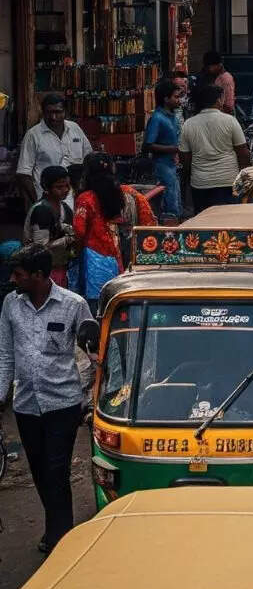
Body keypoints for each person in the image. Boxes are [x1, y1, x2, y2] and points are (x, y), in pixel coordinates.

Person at [0, 244, 94, 554]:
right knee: (40, 472)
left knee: (57, 471)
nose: (14, 279)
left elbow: (92, 352)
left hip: (63, 403)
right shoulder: (10, 306)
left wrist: (90, 397)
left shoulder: (74, 304)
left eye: (19, 274)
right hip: (26, 405)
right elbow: (5, 355)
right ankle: (56, 527)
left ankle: (61, 537)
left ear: (39, 275)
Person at [73, 153, 156, 307]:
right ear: (112, 168)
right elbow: (148, 223)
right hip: (129, 258)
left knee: (97, 307)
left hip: (96, 258)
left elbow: (79, 231)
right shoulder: (130, 193)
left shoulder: (85, 198)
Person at [180, 83, 251, 213]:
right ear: (218, 100)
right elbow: (243, 152)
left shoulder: (188, 124)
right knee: (227, 221)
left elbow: (185, 159)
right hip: (227, 181)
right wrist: (244, 177)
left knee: (203, 223)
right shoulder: (230, 121)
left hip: (200, 183)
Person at [16, 94, 93, 209]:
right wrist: (37, 203)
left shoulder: (74, 129)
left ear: (65, 112)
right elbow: (23, 174)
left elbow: (89, 159)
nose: (53, 117)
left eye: (58, 112)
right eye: (49, 112)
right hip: (48, 201)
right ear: (43, 112)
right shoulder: (33, 135)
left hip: (75, 200)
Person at [22, 166, 75, 288]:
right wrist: (67, 239)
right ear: (46, 187)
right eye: (59, 187)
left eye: (67, 186)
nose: (65, 190)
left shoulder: (64, 208)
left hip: (58, 266)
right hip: (40, 270)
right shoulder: (41, 210)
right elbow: (39, 246)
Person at [143, 78, 184, 225]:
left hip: (171, 166)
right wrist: (173, 149)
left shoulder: (171, 117)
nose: (179, 100)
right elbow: (149, 144)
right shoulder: (157, 118)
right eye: (176, 97)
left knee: (175, 199)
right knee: (169, 202)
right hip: (162, 166)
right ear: (166, 99)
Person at [197, 51, 236, 115]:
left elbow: (229, 105)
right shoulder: (211, 76)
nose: (208, 69)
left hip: (222, 115)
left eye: (210, 67)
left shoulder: (225, 78)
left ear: (219, 65)